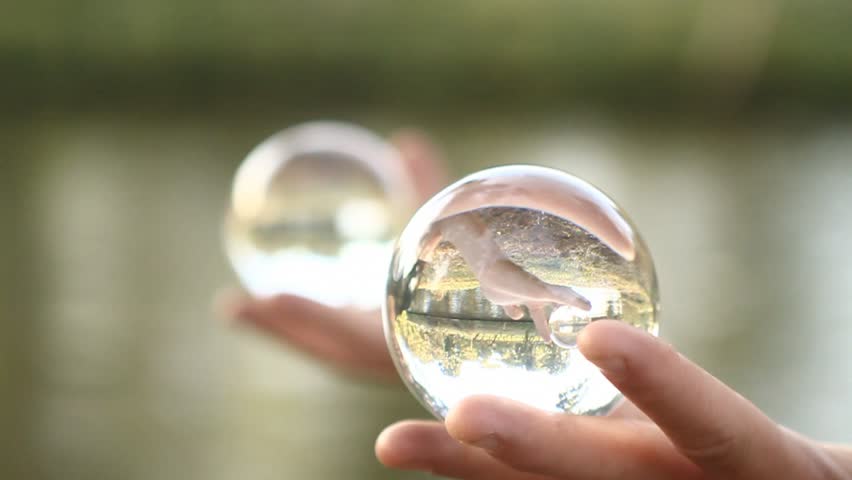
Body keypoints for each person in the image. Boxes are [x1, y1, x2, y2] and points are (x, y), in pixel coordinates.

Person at [219, 130, 852, 479]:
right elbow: (470, 249)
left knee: (545, 300)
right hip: (488, 294)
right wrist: (414, 324)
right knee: (538, 299)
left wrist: (821, 474)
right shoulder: (473, 258)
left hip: (510, 297)